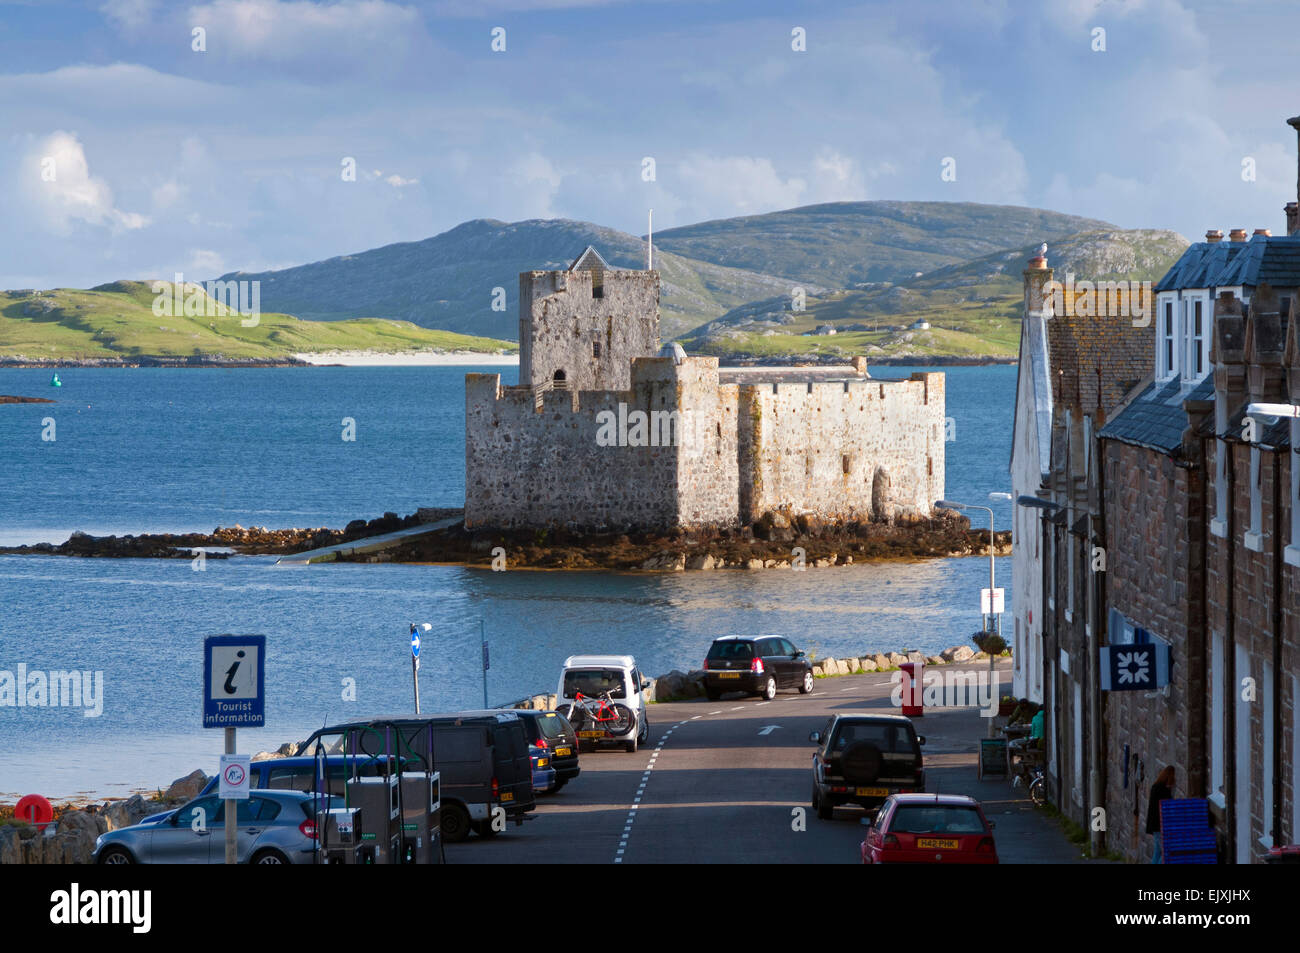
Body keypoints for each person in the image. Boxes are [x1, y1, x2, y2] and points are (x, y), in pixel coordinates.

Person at [1147, 766, 1175, 863]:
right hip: (1160, 825)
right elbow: (1168, 806)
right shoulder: (1163, 790)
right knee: (1165, 853)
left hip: (1154, 825)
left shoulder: (1156, 787)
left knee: (1158, 851)